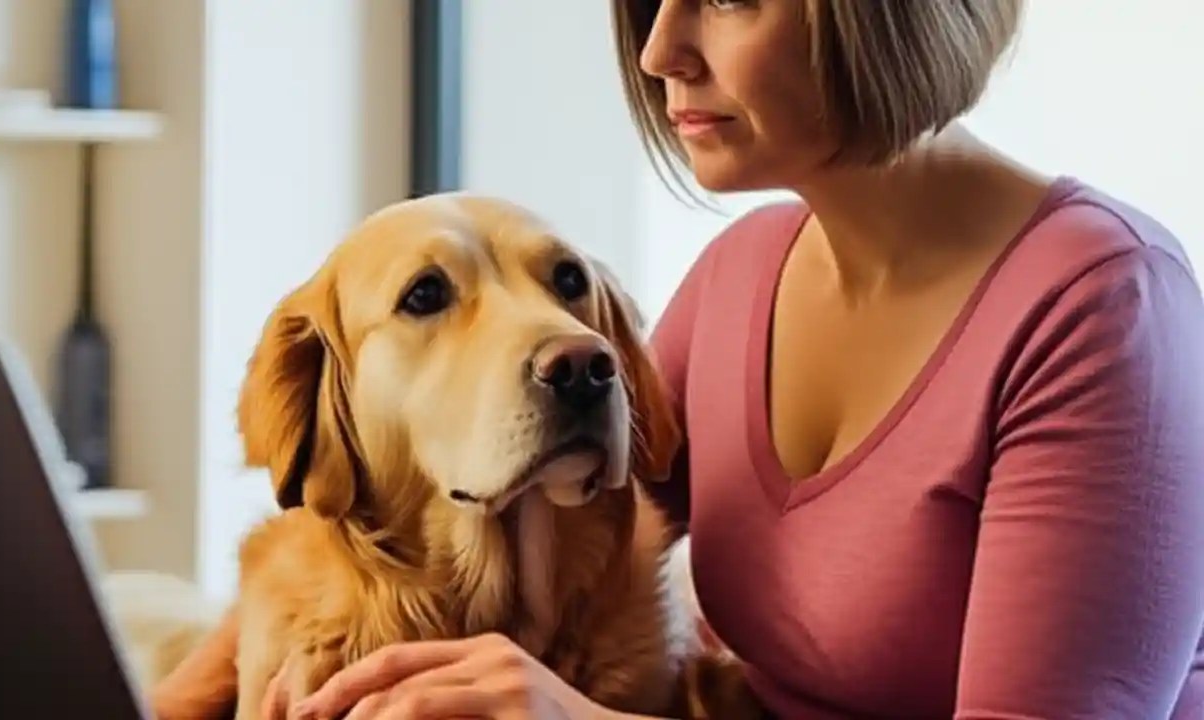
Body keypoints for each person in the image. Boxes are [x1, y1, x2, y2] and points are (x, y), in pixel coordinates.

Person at [152, 0, 1204, 717]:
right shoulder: (746, 273)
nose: (660, 51)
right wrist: (200, 689)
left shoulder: (1099, 307)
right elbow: (541, 522)